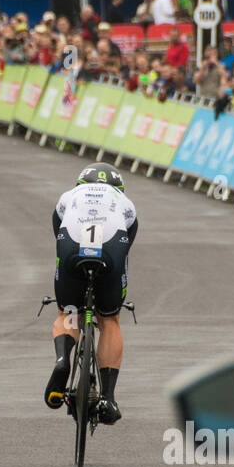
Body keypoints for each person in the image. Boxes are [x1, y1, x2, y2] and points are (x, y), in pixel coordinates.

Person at [44, 163, 137, 426]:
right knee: (110, 320)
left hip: (72, 246)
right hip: (111, 248)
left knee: (68, 311)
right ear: (118, 188)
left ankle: (63, 359)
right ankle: (108, 397)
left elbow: (57, 234)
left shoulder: (68, 196)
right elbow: (127, 248)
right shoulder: (124, 202)